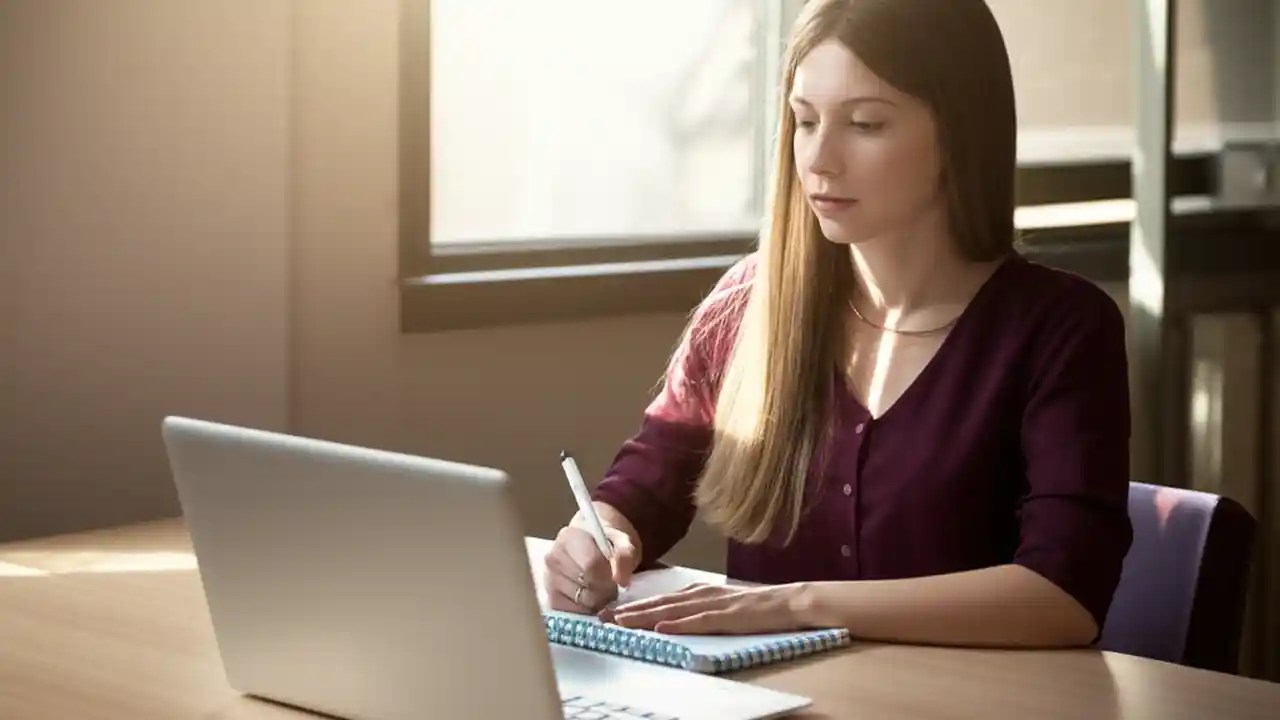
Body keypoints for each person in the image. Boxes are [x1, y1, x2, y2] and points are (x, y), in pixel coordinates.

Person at [543, 0, 1132, 648]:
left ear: (959, 131)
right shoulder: (749, 304)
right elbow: (643, 488)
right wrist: (599, 537)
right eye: (804, 121)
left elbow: (1063, 596)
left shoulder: (1061, 330)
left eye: (866, 124)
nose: (820, 159)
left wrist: (796, 606)